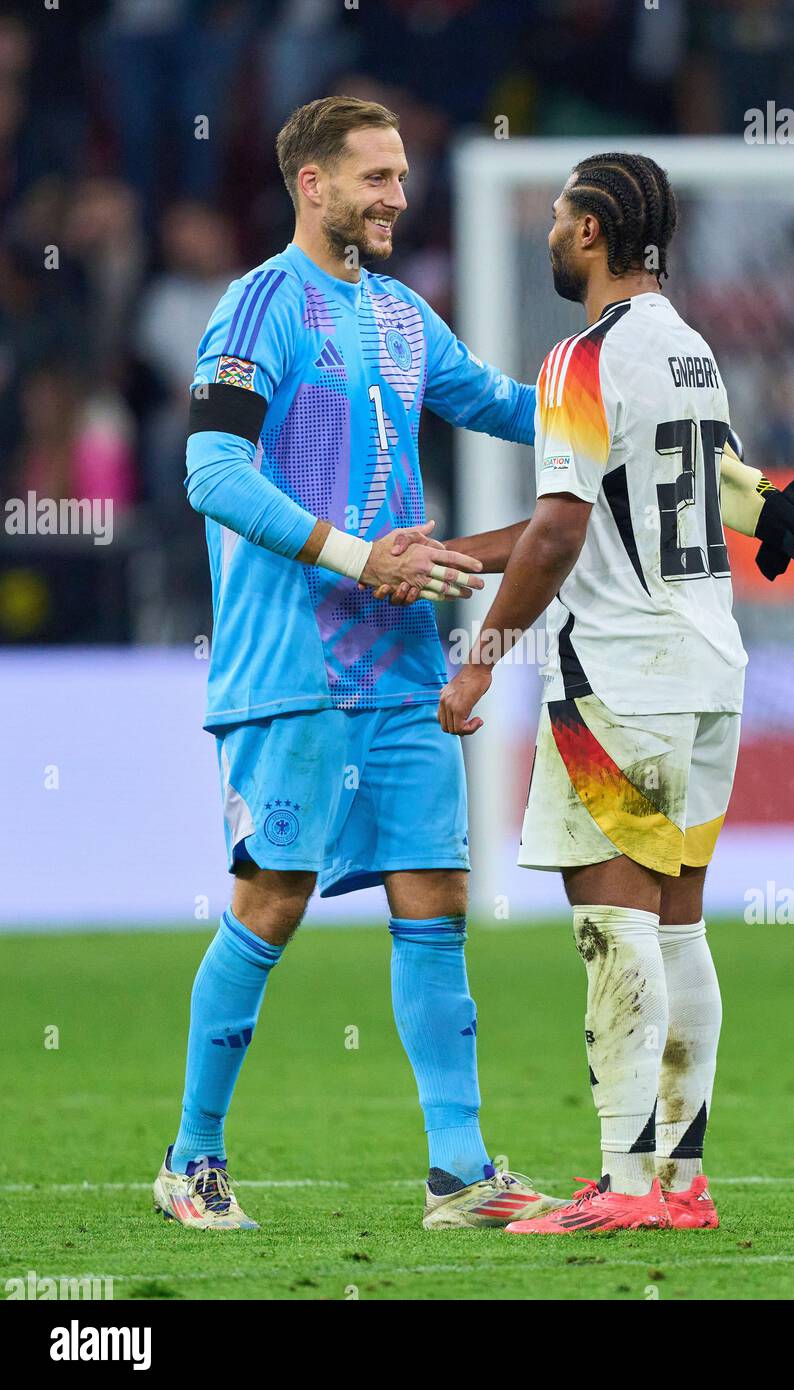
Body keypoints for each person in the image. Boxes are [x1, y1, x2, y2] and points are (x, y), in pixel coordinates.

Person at [152, 95, 561, 1232]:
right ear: (313, 185)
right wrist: (353, 555)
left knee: (435, 898)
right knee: (271, 897)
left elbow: (498, 404)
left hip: (398, 667)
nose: (398, 196)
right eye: (376, 177)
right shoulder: (259, 305)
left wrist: (614, 408)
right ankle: (191, 1157)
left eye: (401, 176)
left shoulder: (397, 314)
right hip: (290, 664)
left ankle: (461, 1171)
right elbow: (213, 472)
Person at [438, 151, 794, 1234]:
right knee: (678, 927)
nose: (551, 232)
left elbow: (565, 527)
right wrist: (463, 556)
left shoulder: (581, 356)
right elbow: (648, 505)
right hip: (710, 665)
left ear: (597, 230)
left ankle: (623, 1186)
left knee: (614, 924)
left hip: (620, 671)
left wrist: (479, 659)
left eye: (563, 217)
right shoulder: (692, 350)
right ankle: (682, 1183)